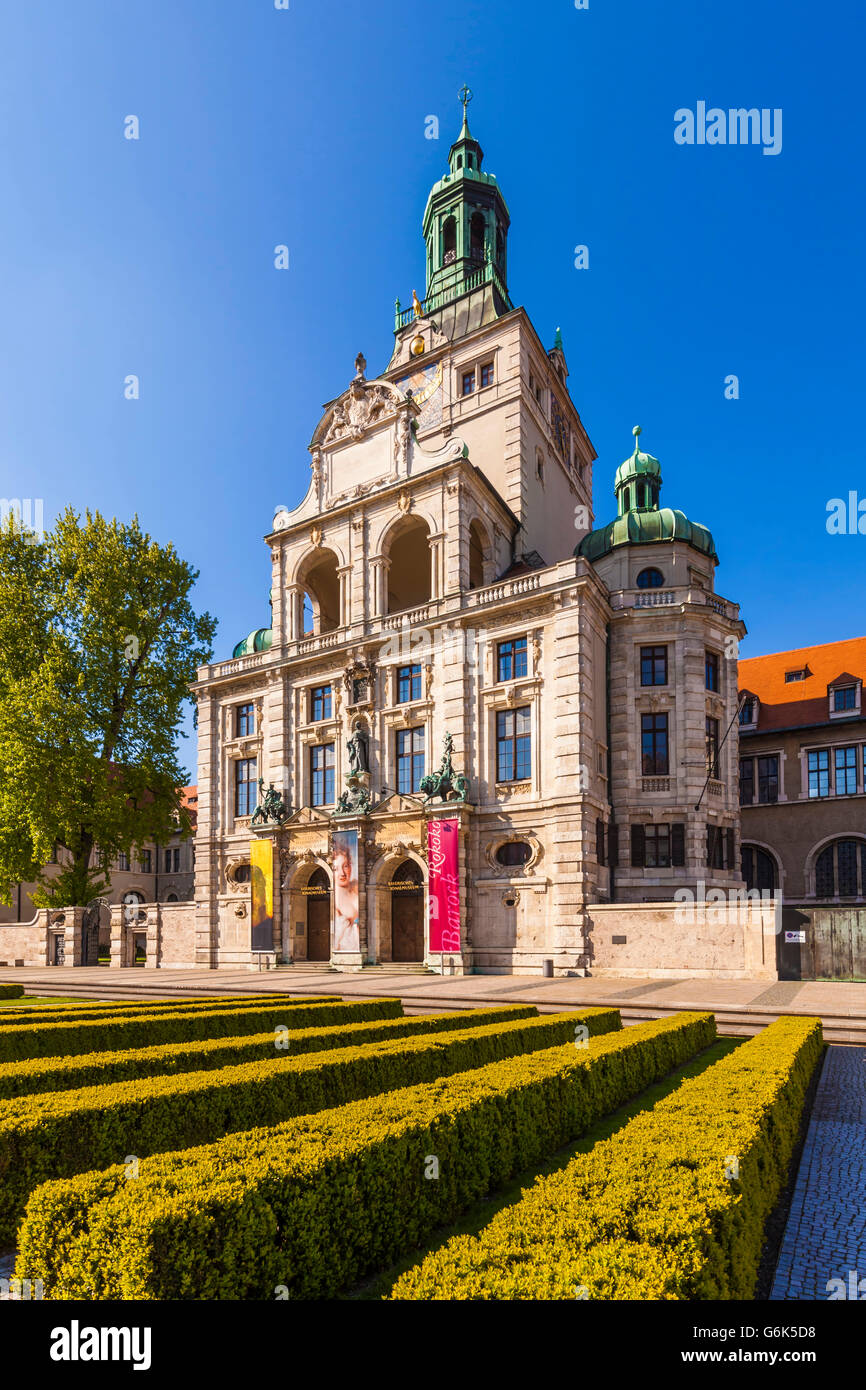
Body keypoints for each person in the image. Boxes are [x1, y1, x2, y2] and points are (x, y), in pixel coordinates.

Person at [333, 842, 359, 951]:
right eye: (336, 868)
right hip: (348, 949)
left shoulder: (358, 885)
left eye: (345, 866)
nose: (342, 873)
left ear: (351, 866)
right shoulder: (333, 901)